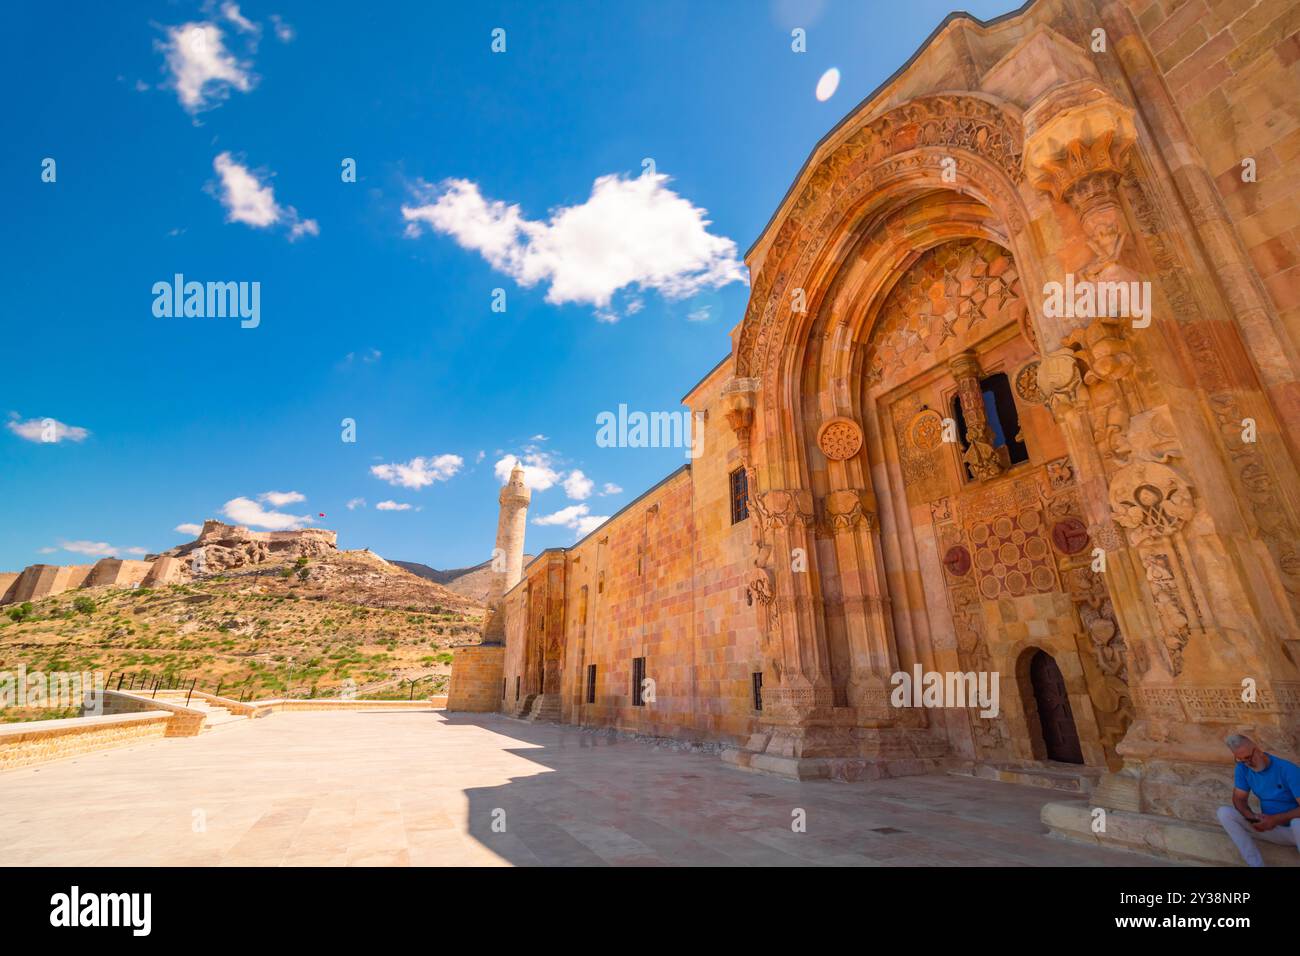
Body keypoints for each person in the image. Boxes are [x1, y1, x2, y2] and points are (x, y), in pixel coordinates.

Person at [1215, 733, 1300, 866]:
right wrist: (1253, 818)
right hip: (1269, 827)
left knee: (1297, 823)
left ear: (1258, 749)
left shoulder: (1287, 769)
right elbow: (1239, 800)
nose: (1248, 763)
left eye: (1249, 757)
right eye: (1241, 760)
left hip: (1293, 831)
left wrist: (1275, 819)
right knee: (1224, 813)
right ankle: (1256, 865)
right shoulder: (1243, 768)